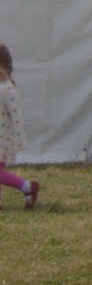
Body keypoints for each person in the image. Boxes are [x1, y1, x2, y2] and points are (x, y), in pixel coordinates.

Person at [0, 44, 39, 210]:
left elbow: (17, 118)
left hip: (2, 140)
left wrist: (20, 140)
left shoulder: (7, 90)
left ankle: (27, 186)